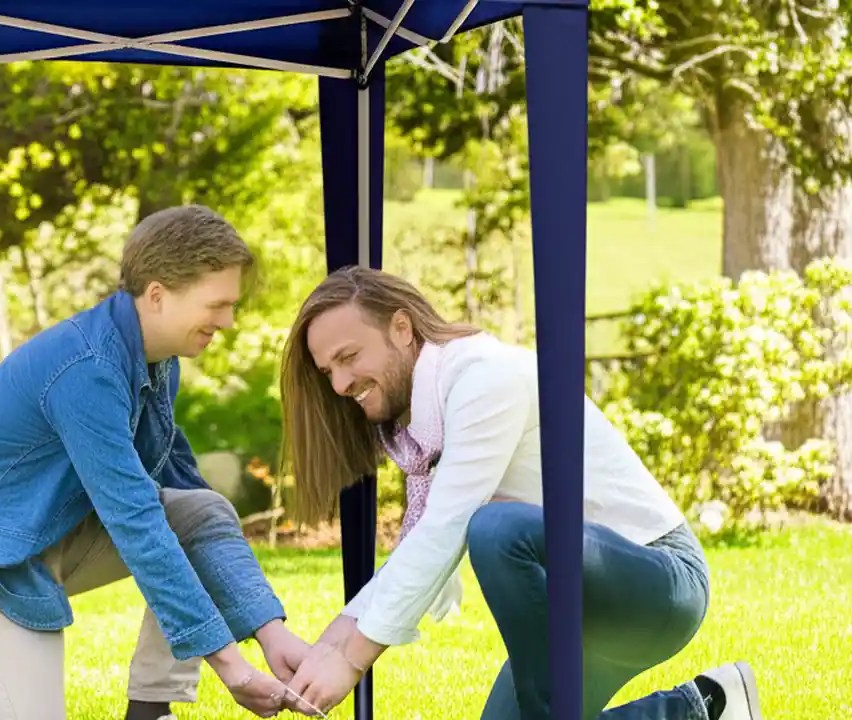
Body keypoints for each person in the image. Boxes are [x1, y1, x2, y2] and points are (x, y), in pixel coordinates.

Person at [0, 206, 311, 720]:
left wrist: (269, 630)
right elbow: (134, 520)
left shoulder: (155, 360)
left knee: (199, 510)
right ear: (157, 295)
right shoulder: (88, 370)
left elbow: (179, 487)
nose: (228, 321)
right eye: (217, 305)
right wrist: (230, 665)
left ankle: (150, 712)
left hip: (37, 543)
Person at [276, 266, 764, 720]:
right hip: (577, 603)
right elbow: (419, 543)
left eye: (348, 357)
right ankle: (710, 706)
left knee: (495, 530)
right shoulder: (428, 423)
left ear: (402, 328)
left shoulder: (482, 378)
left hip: (657, 582)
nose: (340, 384)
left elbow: (444, 529)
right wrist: (331, 644)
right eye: (327, 372)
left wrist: (352, 660)